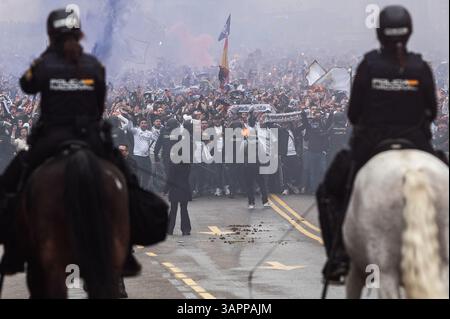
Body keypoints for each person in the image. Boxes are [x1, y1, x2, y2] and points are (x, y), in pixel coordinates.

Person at [0, 9, 145, 275]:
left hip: (52, 138)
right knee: (127, 182)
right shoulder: (94, 65)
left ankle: (12, 253)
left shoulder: (46, 64)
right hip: (88, 137)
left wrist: (44, 57)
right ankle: (127, 252)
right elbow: (100, 104)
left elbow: (26, 85)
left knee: (11, 183)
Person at [317, 5, 449, 284]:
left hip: (371, 146)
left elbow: (353, 114)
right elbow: (433, 111)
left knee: (328, 190)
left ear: (379, 33)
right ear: (409, 32)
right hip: (418, 144)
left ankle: (338, 257)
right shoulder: (420, 66)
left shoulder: (368, 65)